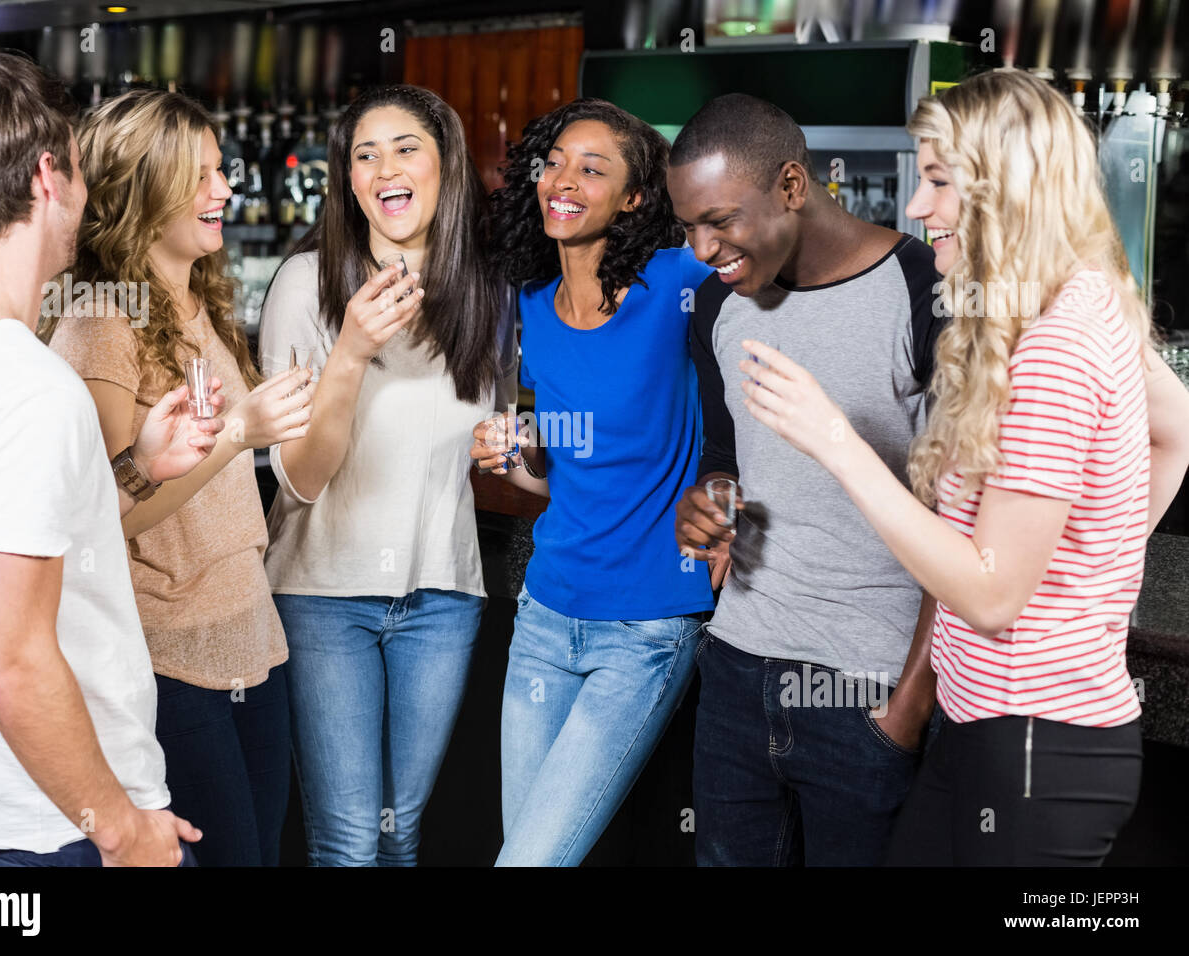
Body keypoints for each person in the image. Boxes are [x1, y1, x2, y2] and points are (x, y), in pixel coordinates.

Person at [738, 69, 1189, 865]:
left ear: (1007, 186)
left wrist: (835, 440)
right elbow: (1175, 433)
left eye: (941, 182)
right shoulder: (1084, 297)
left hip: (1035, 752)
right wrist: (1087, 567)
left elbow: (987, 593)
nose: (917, 208)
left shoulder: (1054, 344)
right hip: (995, 731)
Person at [0, 51, 222, 866]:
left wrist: (141, 465)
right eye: (76, 163)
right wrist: (121, 826)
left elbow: (19, 546)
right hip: (67, 824)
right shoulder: (30, 388)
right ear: (47, 175)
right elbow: (7, 653)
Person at [668, 93, 945, 866]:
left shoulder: (924, 292)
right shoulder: (719, 304)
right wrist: (712, 500)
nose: (701, 247)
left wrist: (909, 707)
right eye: (687, 226)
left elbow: (962, 516)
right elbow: (726, 457)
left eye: (719, 219)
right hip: (734, 672)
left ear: (792, 185)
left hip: (867, 688)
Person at [41, 89, 314, 866]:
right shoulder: (100, 318)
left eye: (220, 169)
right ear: (140, 188)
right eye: (198, 175)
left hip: (252, 637)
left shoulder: (199, 300)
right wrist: (236, 438)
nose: (222, 189)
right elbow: (104, 514)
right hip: (167, 657)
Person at [257, 84, 515, 866]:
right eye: (364, 154)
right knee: (347, 844)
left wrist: (510, 448)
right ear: (347, 180)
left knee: (398, 835)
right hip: (322, 599)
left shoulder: (487, 291)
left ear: (446, 167)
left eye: (407, 148)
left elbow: (491, 444)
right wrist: (352, 352)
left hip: (444, 595)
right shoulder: (306, 285)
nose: (384, 168)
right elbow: (298, 479)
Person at [478, 98, 715, 867]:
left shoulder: (682, 284)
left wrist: (735, 500)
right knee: (528, 850)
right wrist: (515, 455)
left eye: (592, 167)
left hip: (645, 627)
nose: (563, 180)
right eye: (553, 163)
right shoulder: (535, 307)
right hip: (544, 615)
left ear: (636, 197)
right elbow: (561, 479)